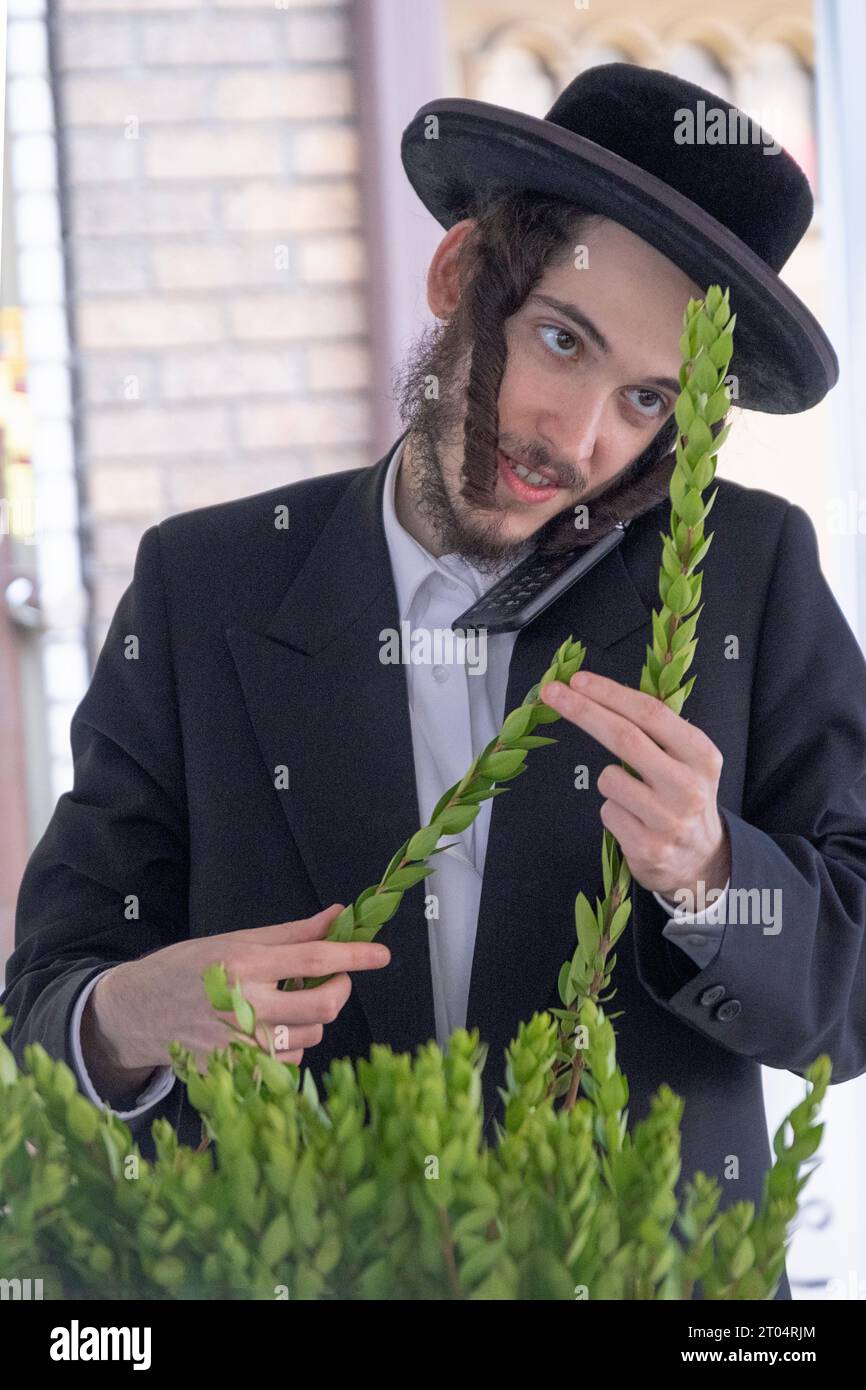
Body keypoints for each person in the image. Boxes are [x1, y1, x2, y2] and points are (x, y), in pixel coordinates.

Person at [4, 64, 863, 1304]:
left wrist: (715, 875)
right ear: (461, 277)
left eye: (642, 401)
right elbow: (47, 1002)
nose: (572, 441)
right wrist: (134, 1016)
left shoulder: (748, 574)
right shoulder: (204, 584)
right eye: (559, 342)